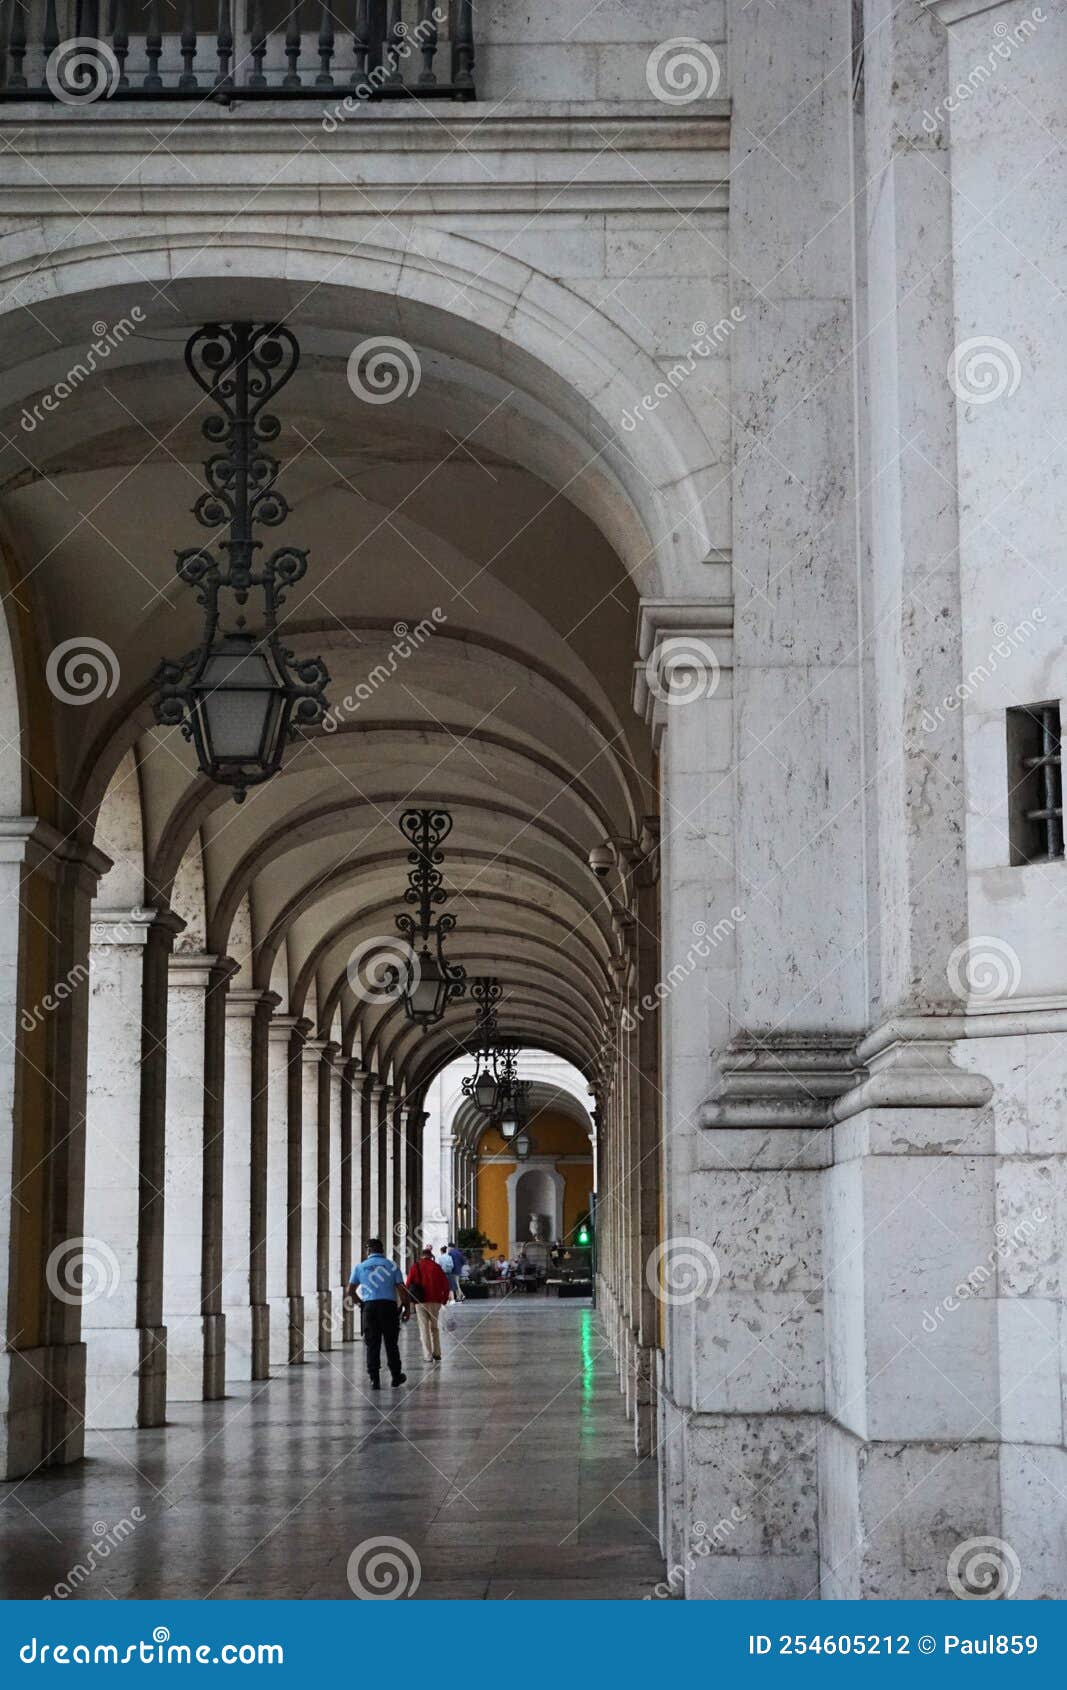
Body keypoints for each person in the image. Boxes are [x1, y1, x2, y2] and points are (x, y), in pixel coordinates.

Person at [349, 1238, 411, 1389]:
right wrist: (406, 1307)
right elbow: (402, 1289)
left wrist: (362, 1304)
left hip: (370, 1307)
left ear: (368, 1250)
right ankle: (396, 1376)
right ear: (382, 1250)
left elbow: (350, 1291)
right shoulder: (391, 1266)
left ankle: (374, 1379)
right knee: (391, 1344)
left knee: (372, 1344)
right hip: (389, 1307)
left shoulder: (360, 1267)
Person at [405, 1247, 451, 1363]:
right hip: (436, 1301)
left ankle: (428, 1356)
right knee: (435, 1328)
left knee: (424, 1328)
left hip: (420, 1302)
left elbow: (408, 1284)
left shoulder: (415, 1267)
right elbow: (445, 1285)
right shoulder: (437, 1267)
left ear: (421, 1256)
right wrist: (444, 1299)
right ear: (431, 1257)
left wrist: (409, 1301)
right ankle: (437, 1353)